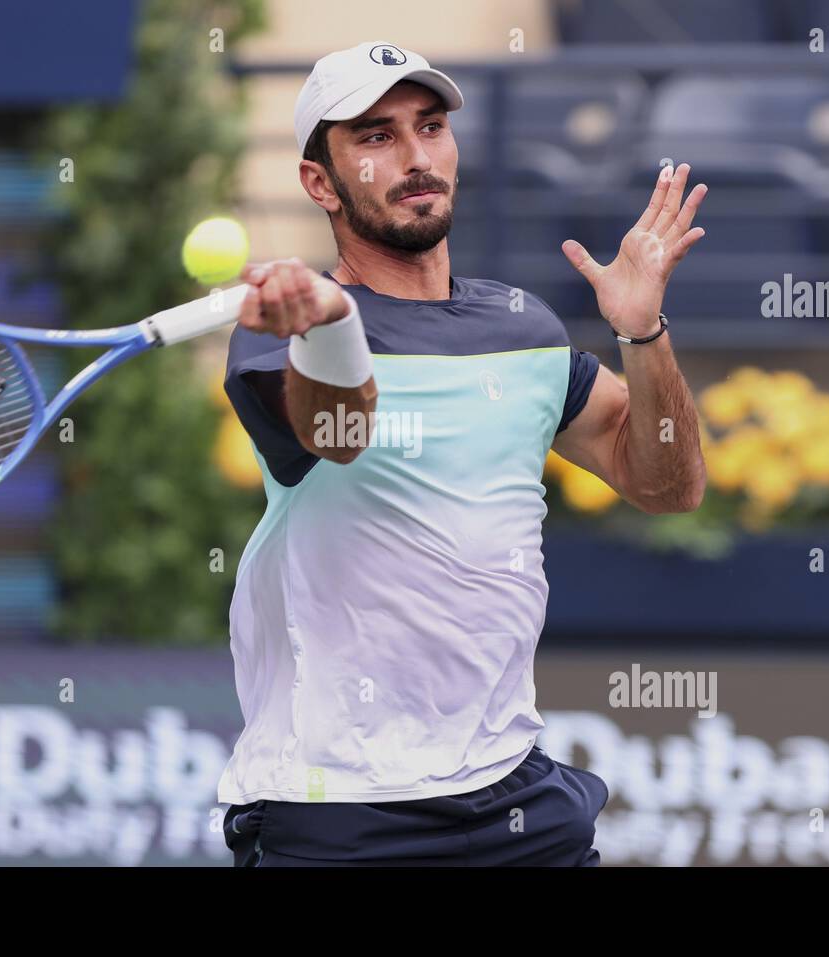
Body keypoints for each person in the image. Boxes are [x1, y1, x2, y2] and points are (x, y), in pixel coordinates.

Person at [218, 40, 707, 866]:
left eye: (431, 127)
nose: (415, 158)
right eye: (375, 138)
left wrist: (641, 332)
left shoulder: (523, 330)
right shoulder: (282, 338)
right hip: (345, 809)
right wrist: (331, 325)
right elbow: (336, 434)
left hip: (514, 791)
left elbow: (667, 484)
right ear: (318, 182)